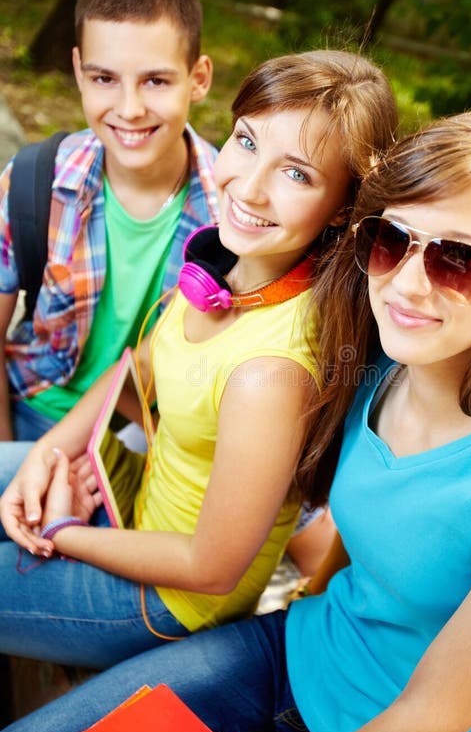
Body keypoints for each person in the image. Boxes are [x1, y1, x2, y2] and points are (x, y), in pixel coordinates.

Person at [1, 109, 471, 732]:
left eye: (457, 259)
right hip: (286, 655)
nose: (407, 283)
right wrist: (56, 448)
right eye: (390, 239)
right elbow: (355, 534)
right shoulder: (374, 367)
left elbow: (429, 723)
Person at [0, 49, 399, 673]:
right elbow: (138, 369)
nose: (249, 185)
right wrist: (52, 451)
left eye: (296, 174)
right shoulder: (232, 267)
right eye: (246, 142)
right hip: (125, 501)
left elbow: (211, 569)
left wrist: (63, 531)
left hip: (165, 599)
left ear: (344, 209)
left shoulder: (273, 372)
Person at [0, 0, 218, 458]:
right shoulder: (34, 181)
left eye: (156, 81)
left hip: (142, 442)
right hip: (29, 411)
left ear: (198, 78)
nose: (129, 108)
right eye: (104, 78)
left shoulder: (231, 213)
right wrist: (10, 458)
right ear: (78, 71)